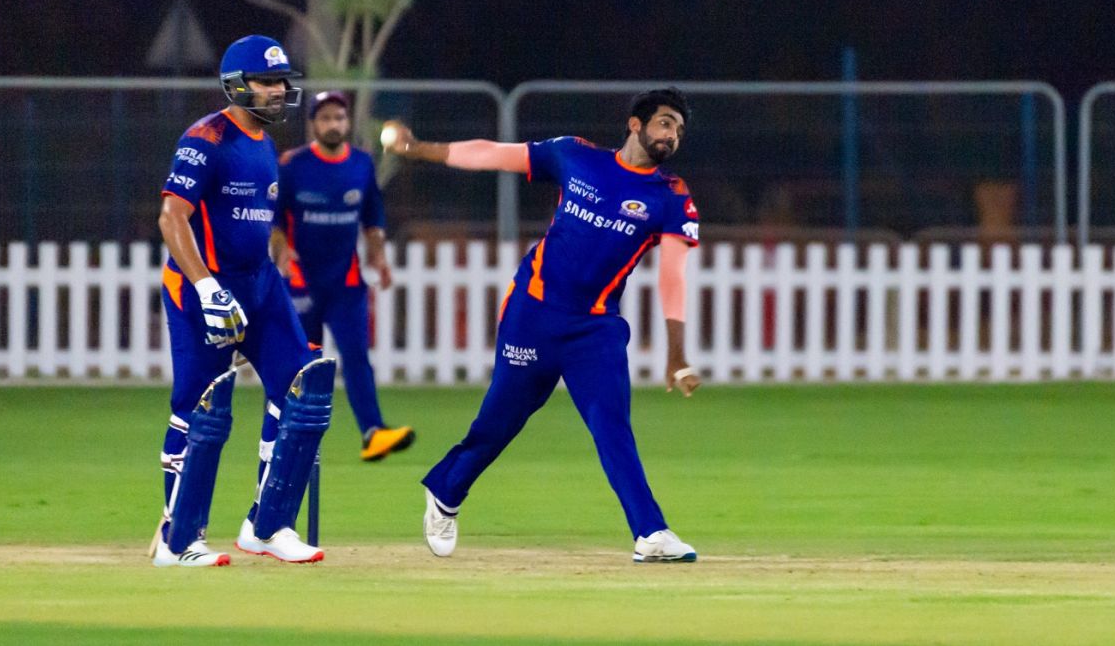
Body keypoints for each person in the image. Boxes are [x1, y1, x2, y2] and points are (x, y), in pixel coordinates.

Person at [383, 87, 703, 563]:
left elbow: (675, 274)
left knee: (611, 425)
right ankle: (445, 492)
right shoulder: (574, 156)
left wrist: (676, 352)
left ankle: (650, 533)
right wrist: (420, 149)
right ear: (635, 125)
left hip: (595, 329)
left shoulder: (670, 196)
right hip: (532, 314)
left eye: (678, 128)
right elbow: (493, 154)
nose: (671, 134)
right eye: (664, 122)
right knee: (499, 423)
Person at [153, 34, 337, 567]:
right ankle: (177, 537)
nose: (279, 91)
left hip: (260, 283)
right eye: (267, 82)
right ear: (236, 86)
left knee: (303, 390)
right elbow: (172, 218)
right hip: (201, 287)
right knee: (198, 405)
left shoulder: (264, 146)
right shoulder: (206, 138)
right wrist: (208, 289)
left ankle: (268, 524)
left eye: (282, 81)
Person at [272, 91, 416, 461]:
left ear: (347, 122)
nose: (333, 124)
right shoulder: (292, 165)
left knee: (356, 358)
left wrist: (380, 259)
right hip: (301, 281)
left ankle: (374, 433)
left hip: (346, 283)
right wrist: (281, 251)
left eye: (339, 118)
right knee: (304, 365)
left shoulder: (362, 165)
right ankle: (293, 437)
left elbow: (372, 219)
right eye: (325, 118)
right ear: (312, 124)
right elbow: (274, 221)